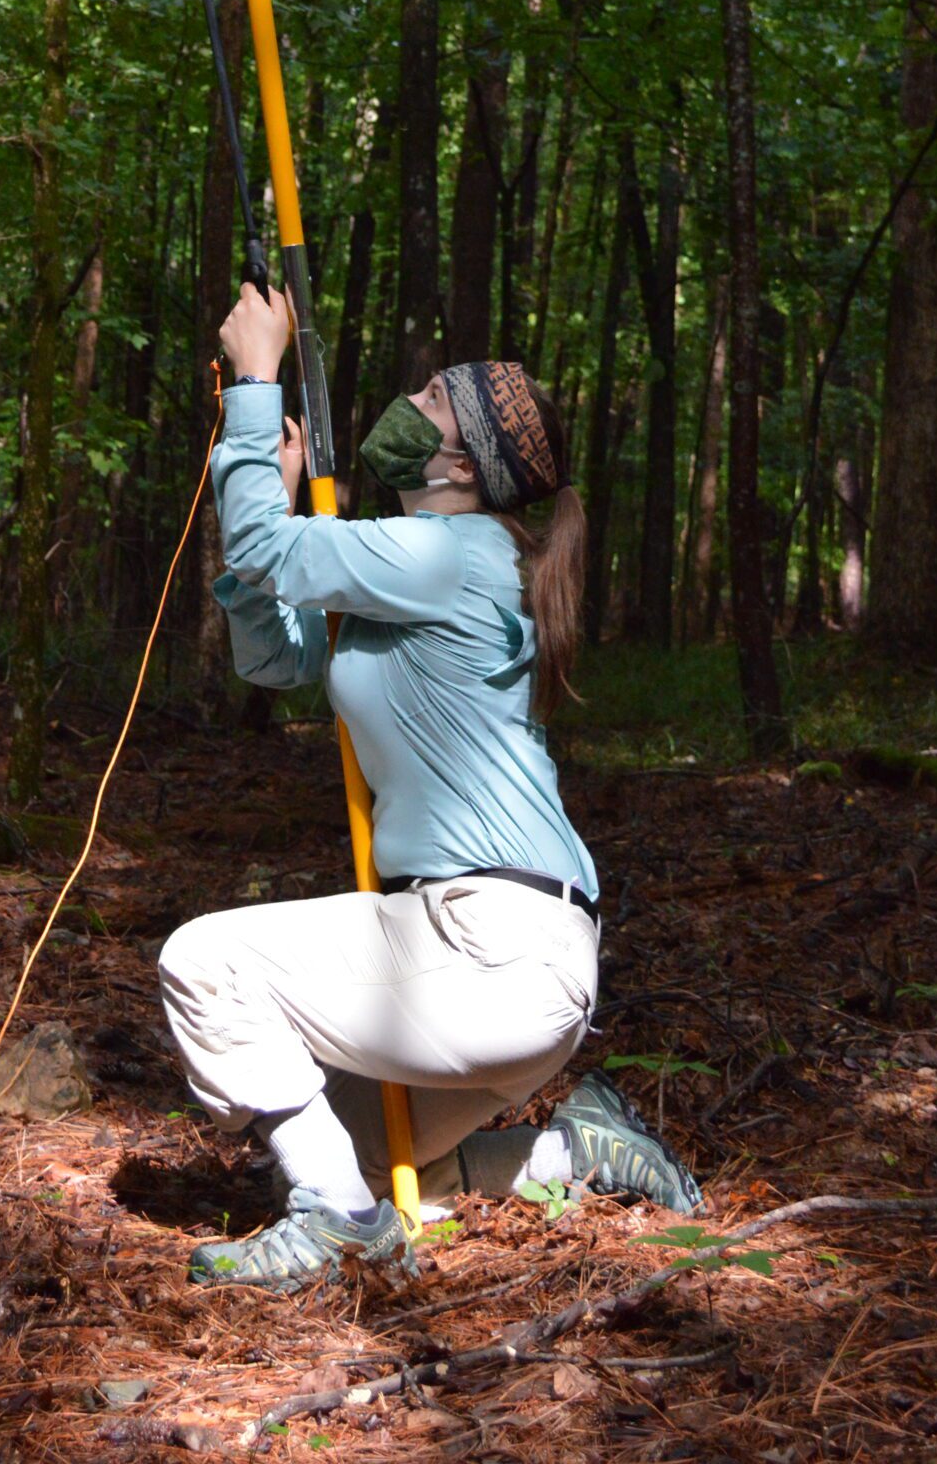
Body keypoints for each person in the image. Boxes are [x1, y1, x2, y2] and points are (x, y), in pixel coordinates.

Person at [158, 283, 702, 1291]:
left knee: (206, 962)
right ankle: (575, 1148)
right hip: (515, 958)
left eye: (435, 398)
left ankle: (337, 1227)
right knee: (369, 1152)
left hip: (492, 948)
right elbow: (277, 659)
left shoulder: (449, 554)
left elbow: (269, 547)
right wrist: (270, 497)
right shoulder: (414, 561)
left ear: (458, 465)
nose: (411, 397)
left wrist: (255, 381)